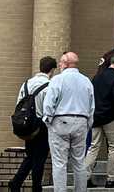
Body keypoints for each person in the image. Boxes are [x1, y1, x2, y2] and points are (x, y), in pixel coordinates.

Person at [43, 52, 95, 192]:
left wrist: (48, 121)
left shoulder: (58, 80)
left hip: (61, 121)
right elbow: (91, 107)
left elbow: (48, 104)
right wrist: (87, 124)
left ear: (65, 64)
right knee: (79, 162)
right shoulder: (86, 81)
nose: (59, 64)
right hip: (81, 122)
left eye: (60, 62)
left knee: (59, 163)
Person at [9, 56, 57, 192]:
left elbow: (19, 103)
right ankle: (36, 187)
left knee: (31, 156)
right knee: (40, 159)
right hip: (41, 125)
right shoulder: (50, 85)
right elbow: (49, 108)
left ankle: (16, 182)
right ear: (52, 70)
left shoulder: (26, 83)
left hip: (27, 125)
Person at [86, 52, 114, 188]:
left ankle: (85, 177)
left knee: (93, 147)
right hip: (111, 118)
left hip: (96, 117)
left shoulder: (97, 77)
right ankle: (111, 179)